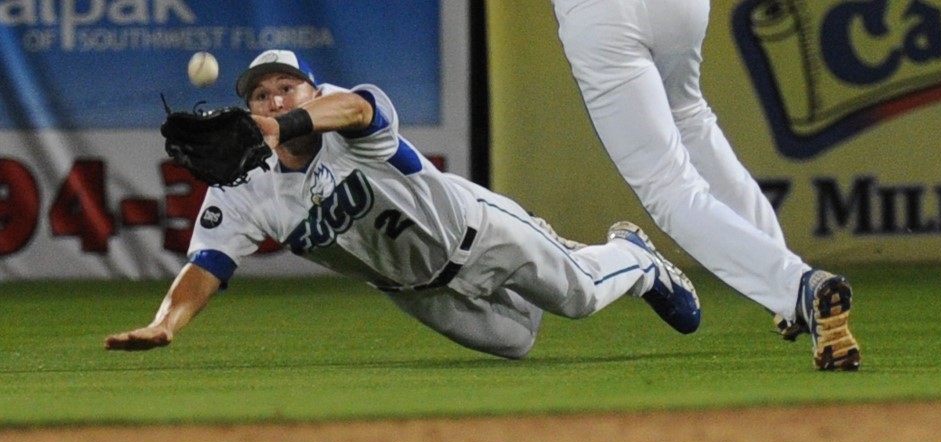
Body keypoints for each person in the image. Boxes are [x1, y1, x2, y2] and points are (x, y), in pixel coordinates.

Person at [104, 49, 701, 359]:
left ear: (313, 90)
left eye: (288, 86)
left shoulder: (348, 111)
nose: (276, 96)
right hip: (416, 292)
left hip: (477, 230)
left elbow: (357, 110)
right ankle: (558, 249)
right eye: (262, 94)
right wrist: (165, 325)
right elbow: (205, 264)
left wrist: (282, 127)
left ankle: (632, 256)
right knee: (518, 343)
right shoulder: (240, 187)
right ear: (250, 109)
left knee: (580, 297)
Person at [549, 0, 860, 370]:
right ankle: (787, 290)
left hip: (603, 13)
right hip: (681, 10)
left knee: (669, 185)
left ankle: (796, 288)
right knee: (691, 119)